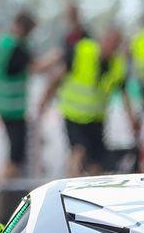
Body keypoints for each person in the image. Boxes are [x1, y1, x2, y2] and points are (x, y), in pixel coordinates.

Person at [41, 26, 136, 176]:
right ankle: (69, 185)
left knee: (97, 162)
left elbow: (124, 95)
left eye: (115, 44)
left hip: (96, 119)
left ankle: (91, 192)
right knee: (78, 151)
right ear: (101, 40)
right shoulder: (83, 52)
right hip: (74, 114)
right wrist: (44, 101)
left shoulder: (117, 66)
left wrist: (132, 119)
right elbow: (58, 77)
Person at [0, 10, 37, 182]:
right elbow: (34, 67)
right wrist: (56, 59)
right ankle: (4, 189)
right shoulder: (18, 47)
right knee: (16, 152)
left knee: (14, 149)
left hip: (0, 102)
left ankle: (5, 185)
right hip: (13, 106)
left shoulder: (3, 42)